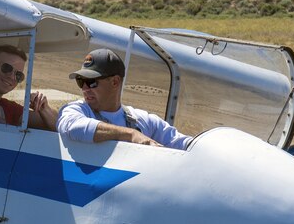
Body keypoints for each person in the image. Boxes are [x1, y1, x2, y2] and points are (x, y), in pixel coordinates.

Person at [57, 48, 192, 150]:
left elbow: (184, 144)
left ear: (115, 82)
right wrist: (130, 135)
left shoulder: (144, 121)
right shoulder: (75, 110)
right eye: (81, 81)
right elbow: (73, 127)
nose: (85, 89)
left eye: (91, 82)